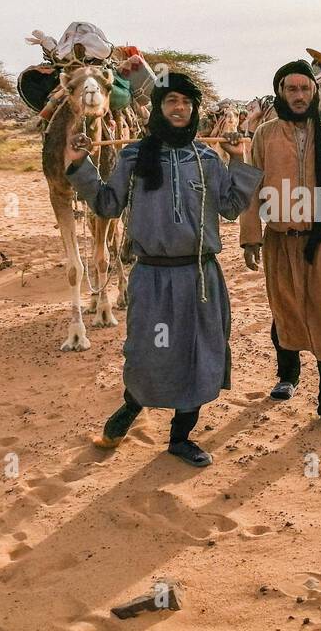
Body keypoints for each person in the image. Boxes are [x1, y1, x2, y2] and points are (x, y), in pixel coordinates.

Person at [64, 72, 261, 467]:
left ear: (193, 109)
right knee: (149, 351)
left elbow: (230, 207)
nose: (179, 108)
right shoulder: (134, 156)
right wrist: (78, 164)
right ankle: (132, 405)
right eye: (171, 100)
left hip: (201, 277)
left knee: (199, 354)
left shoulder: (207, 158)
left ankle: (181, 437)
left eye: (186, 102)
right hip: (152, 278)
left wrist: (238, 161)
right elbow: (106, 205)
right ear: (159, 107)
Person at [240, 59, 321, 422]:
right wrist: (250, 238)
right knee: (286, 309)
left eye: (304, 89)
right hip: (280, 240)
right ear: (280, 92)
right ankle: (287, 375)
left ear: (314, 92)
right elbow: (251, 187)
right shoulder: (265, 135)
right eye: (291, 89)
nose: (298, 95)